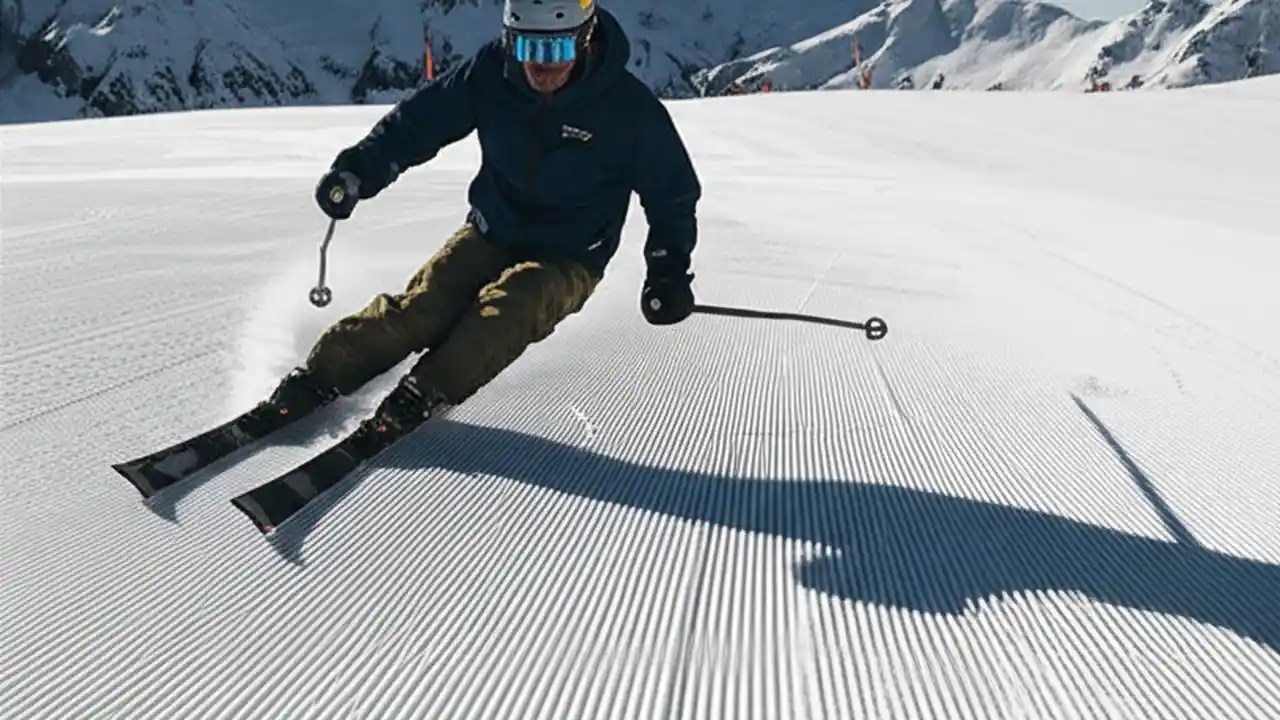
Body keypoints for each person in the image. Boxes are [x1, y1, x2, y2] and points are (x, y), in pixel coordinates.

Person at [260, 0, 702, 441]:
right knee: (422, 309)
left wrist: (667, 269)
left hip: (569, 255)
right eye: (527, 48)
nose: (539, 67)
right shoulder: (493, 73)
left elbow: (672, 194)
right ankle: (320, 375)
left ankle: (423, 393)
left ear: (585, 40)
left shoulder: (627, 108)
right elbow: (420, 122)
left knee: (506, 309)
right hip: (492, 229)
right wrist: (358, 169)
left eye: (555, 51)